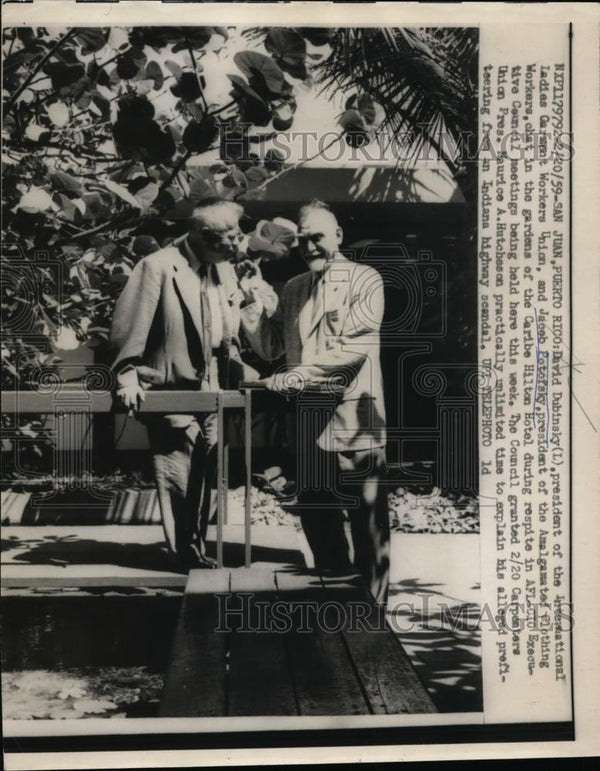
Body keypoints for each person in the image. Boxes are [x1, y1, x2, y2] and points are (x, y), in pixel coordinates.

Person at [109, 197, 277, 569]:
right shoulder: (157, 266)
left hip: (215, 386)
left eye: (238, 236)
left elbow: (227, 334)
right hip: (171, 387)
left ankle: (195, 549)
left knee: (208, 474)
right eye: (229, 238)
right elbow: (128, 327)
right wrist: (126, 374)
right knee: (178, 473)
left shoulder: (225, 270)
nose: (237, 244)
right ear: (203, 235)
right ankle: (185, 555)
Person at [240, 200, 390, 603]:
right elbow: (271, 346)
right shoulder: (293, 288)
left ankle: (373, 614)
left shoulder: (365, 280)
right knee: (319, 519)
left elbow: (353, 349)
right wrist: (251, 295)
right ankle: (334, 605)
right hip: (306, 423)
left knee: (366, 522)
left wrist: (294, 376)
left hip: (354, 421)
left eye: (317, 238)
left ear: (338, 236)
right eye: (303, 241)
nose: (309, 248)